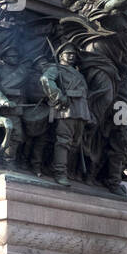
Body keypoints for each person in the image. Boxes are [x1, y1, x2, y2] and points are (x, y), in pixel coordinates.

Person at [39, 43, 93, 186]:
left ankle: (64, 170)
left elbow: (85, 94)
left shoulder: (79, 74)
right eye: (68, 54)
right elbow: (45, 80)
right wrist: (58, 96)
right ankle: (60, 173)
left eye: (73, 55)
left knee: (75, 144)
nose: (71, 57)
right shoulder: (55, 69)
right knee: (63, 142)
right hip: (66, 109)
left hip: (81, 111)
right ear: (60, 55)